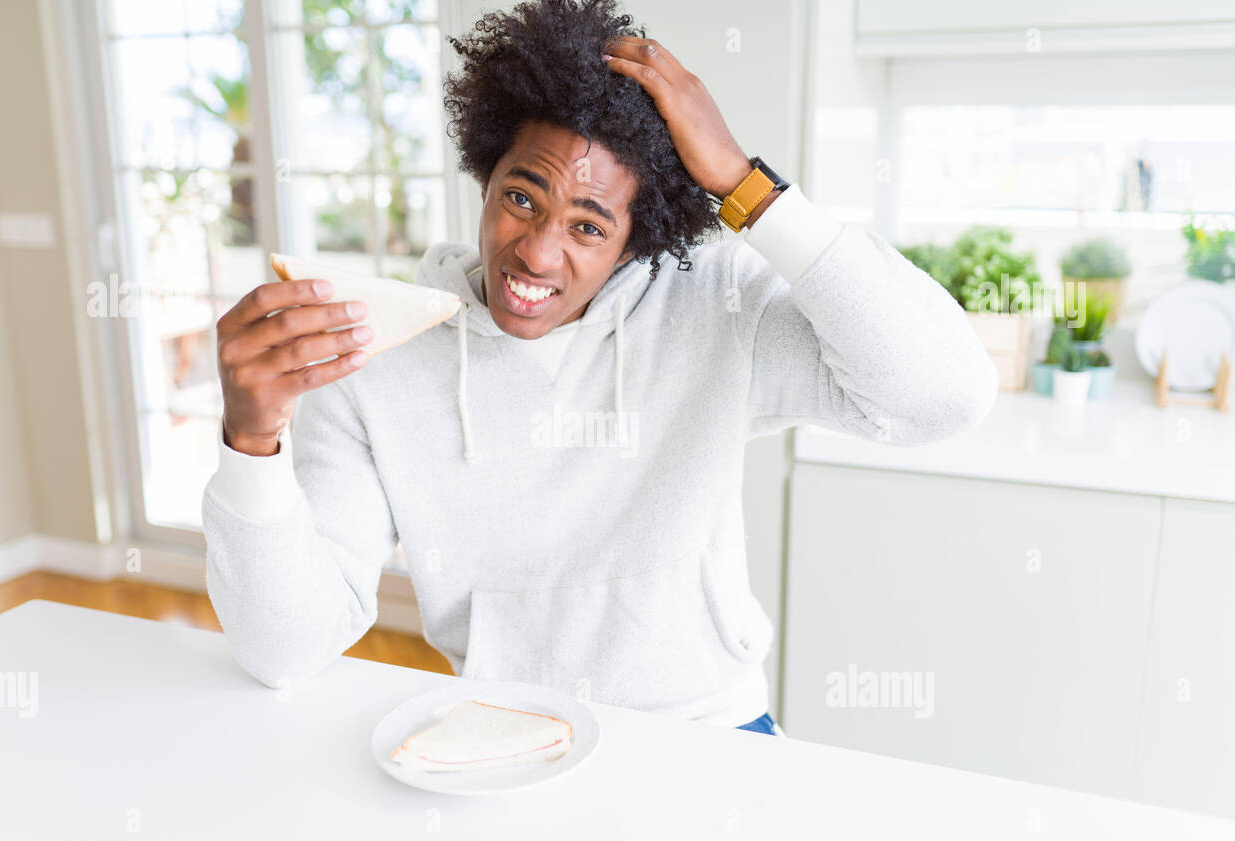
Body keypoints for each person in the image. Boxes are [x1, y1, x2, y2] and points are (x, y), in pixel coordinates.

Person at [202, 0, 998, 737]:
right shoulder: (378, 359)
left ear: (634, 238)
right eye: (521, 198)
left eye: (588, 224)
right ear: (486, 178)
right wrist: (251, 445)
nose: (539, 252)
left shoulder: (715, 309)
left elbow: (943, 395)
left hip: (713, 730)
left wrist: (744, 186)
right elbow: (286, 649)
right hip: (505, 739)